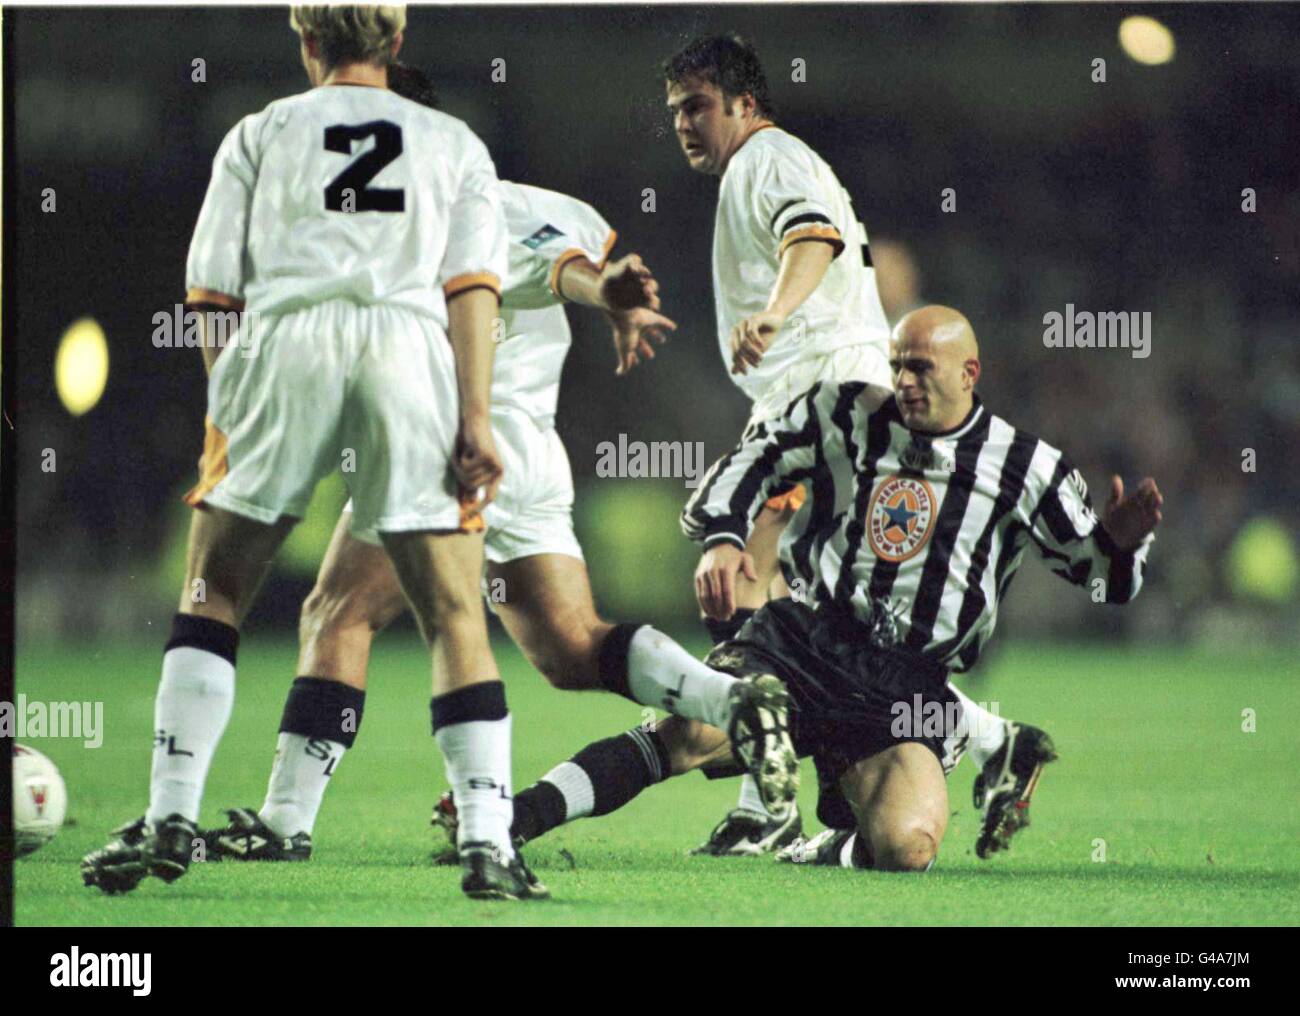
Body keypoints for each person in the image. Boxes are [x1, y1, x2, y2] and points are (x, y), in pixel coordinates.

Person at [197, 62, 803, 888]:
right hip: (530, 450)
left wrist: (601, 292)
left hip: (455, 444)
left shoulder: (434, 214)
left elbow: (555, 271)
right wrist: (612, 294)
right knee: (569, 645)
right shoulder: (530, 202)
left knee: (336, 608)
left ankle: (285, 822)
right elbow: (569, 255)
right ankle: (730, 700)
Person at [434, 306, 1161, 872]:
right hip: (807, 636)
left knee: (908, 846)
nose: (904, 380)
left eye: (922, 368)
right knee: (687, 734)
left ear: (970, 372)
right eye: (898, 364)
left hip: (902, 684)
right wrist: (722, 533)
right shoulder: (847, 411)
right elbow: (754, 458)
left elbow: (1095, 574)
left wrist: (1122, 546)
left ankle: (823, 846)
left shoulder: (1028, 467)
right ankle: (509, 817)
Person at [79, 6, 536, 900]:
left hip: (285, 340)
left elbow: (211, 290)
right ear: (396, 44)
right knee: (452, 611)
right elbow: (472, 288)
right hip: (407, 348)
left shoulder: (257, 132)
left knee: (214, 591)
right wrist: (475, 414)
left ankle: (172, 811)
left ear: (308, 42)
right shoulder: (452, 142)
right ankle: (487, 841)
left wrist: (230, 401)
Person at [662, 34, 1018, 854]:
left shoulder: (766, 159)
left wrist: (776, 313)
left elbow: (812, 237)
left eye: (697, 106)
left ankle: (767, 799)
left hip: (816, 396)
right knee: (811, 606)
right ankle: (990, 739)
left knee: (746, 576)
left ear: (745, 104)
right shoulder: (768, 164)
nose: (684, 123)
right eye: (676, 110)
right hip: (830, 393)